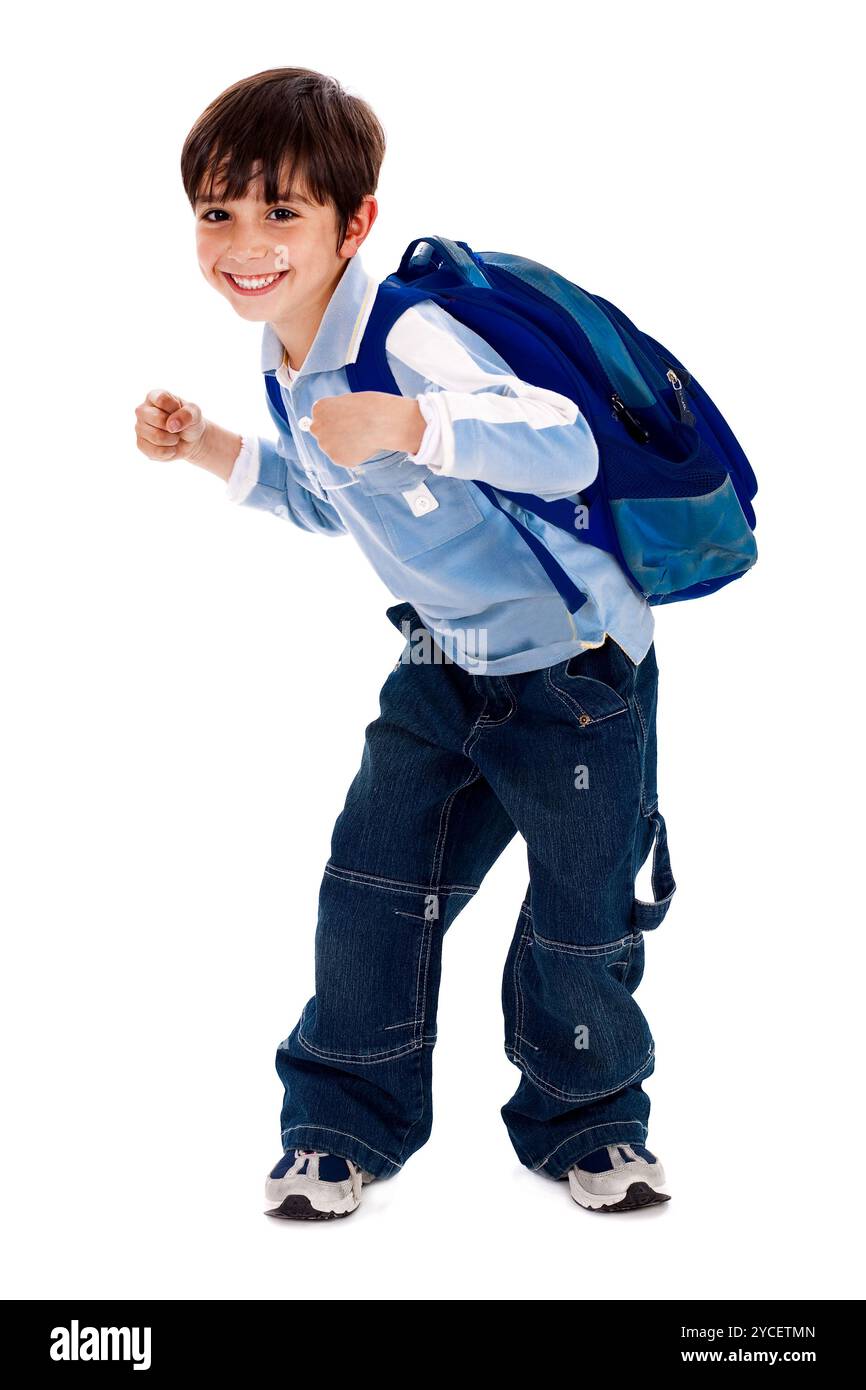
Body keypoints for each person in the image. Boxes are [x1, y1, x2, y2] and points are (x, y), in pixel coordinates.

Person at [135, 66, 676, 1220]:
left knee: (578, 916)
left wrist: (416, 420)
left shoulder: (407, 335)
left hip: (575, 670)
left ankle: (591, 1124)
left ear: (353, 224)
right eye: (218, 212)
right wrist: (211, 446)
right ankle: (338, 1127)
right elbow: (330, 499)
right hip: (440, 665)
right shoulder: (284, 362)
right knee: (371, 887)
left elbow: (566, 444)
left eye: (282, 212)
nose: (245, 243)